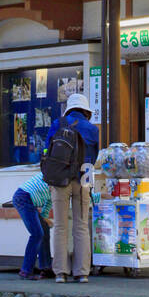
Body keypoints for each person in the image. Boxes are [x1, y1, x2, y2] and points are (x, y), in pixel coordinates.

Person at [47, 93, 99, 284]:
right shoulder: (92, 129)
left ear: (69, 108)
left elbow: (47, 151)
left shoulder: (57, 124)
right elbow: (94, 158)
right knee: (81, 225)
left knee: (60, 226)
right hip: (83, 178)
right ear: (86, 110)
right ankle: (82, 272)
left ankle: (60, 272)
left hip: (60, 179)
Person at [12, 173, 54, 280]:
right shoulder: (53, 173)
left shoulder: (57, 176)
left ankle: (46, 268)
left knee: (44, 229)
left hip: (27, 199)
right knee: (37, 235)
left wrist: (45, 219)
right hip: (24, 198)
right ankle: (26, 271)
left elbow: (49, 202)